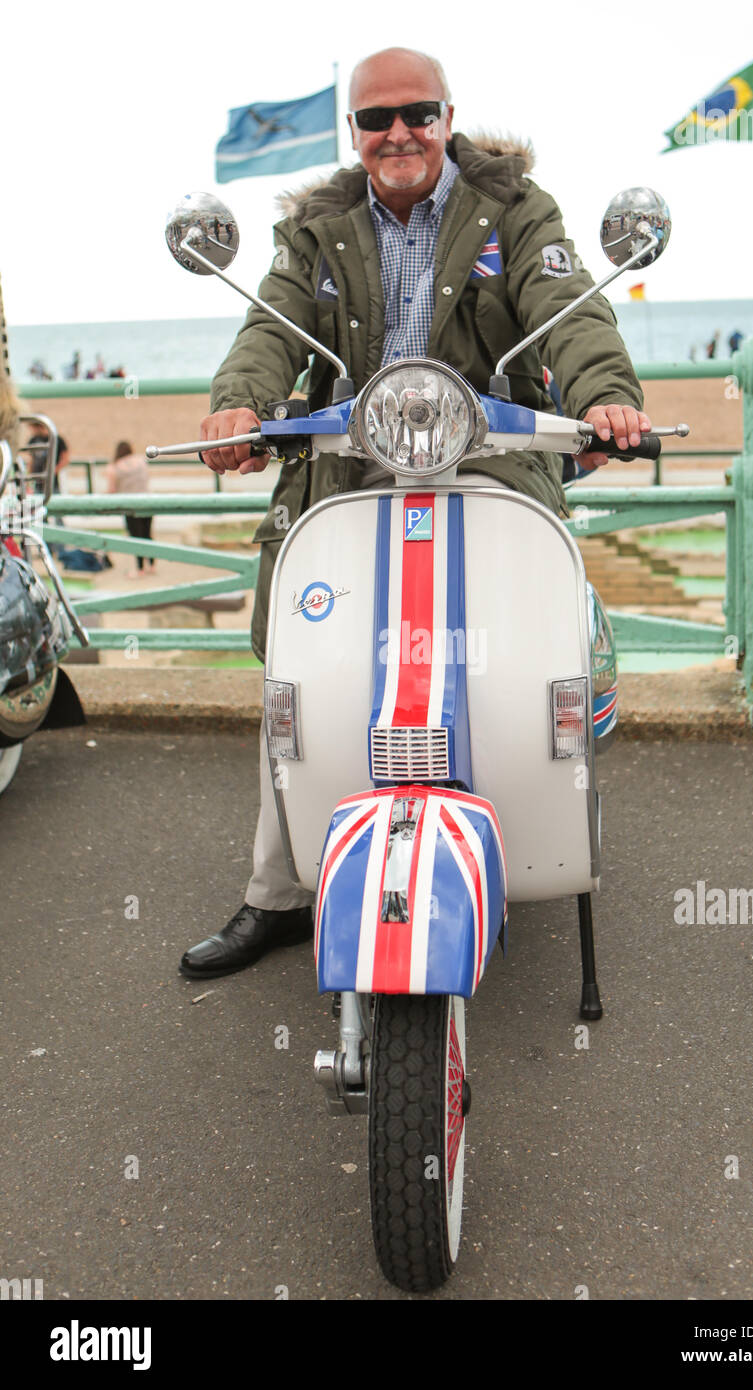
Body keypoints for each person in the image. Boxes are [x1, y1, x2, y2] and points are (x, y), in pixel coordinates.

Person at [179, 46, 650, 980]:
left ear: (446, 115)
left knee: (513, 658)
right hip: (348, 482)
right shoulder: (316, 225)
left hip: (490, 470)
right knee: (299, 684)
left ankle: (527, 840)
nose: (398, 133)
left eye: (417, 113)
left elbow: (567, 309)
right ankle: (278, 891)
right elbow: (271, 325)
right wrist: (239, 402)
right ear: (353, 132)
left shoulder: (514, 206)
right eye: (376, 118)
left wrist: (605, 394)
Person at [105, 441, 154, 576]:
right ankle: (152, 565)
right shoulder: (141, 461)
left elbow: (112, 489)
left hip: (130, 504)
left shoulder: (115, 467)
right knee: (147, 534)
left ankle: (140, 569)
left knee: (135, 537)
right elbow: (147, 479)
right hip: (147, 501)